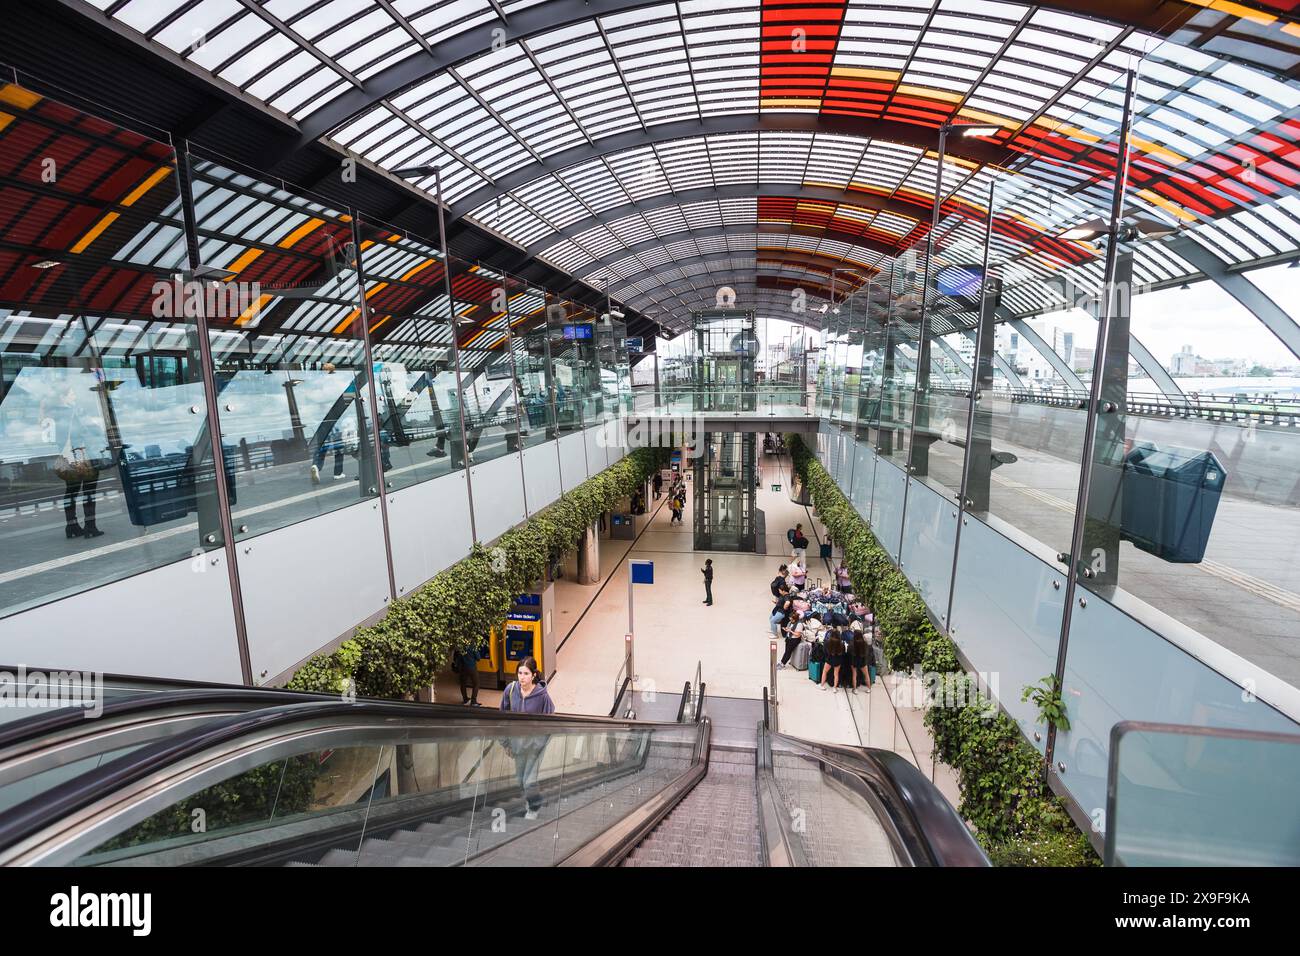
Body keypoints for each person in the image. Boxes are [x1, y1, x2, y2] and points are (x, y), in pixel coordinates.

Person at [499, 657, 555, 820]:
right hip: (517, 746)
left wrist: (539, 743)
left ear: (534, 675)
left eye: (526, 673)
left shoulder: (542, 696)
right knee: (520, 780)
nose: (522, 677)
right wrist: (505, 743)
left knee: (529, 780)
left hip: (535, 747)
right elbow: (502, 717)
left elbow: (551, 721)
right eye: (520, 673)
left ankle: (534, 807)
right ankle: (531, 800)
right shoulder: (510, 690)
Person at [53, 385, 103, 539]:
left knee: (71, 492)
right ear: (63, 397)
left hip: (68, 459)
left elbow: (58, 438)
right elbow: (93, 430)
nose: (74, 397)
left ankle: (72, 526)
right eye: (71, 394)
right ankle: (90, 526)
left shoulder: (57, 414)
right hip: (83, 457)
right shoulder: (76, 412)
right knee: (89, 493)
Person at [454, 642, 482, 706]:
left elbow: (457, 658)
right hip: (472, 668)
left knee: (463, 684)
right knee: (476, 684)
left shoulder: (460, 647)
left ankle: (465, 699)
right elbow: (478, 658)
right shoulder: (473, 646)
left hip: (463, 668)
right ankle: (473, 701)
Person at [849, 628, 872, 693]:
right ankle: (869, 688)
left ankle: (855, 689)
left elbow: (849, 651)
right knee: (866, 675)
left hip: (854, 661)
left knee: (854, 675)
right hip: (863, 661)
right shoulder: (864, 643)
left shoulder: (852, 643)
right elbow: (867, 652)